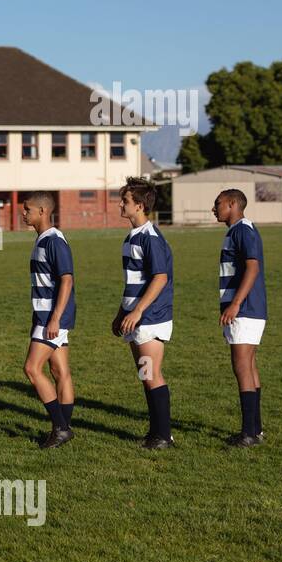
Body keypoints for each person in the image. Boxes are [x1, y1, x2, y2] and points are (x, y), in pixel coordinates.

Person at [112, 177, 175, 450]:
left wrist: (137, 311)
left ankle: (163, 436)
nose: (121, 204)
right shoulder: (132, 237)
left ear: (138, 205)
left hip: (151, 317)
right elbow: (133, 281)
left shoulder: (150, 237)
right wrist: (121, 313)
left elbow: (160, 277)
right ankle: (156, 433)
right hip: (136, 316)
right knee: (144, 375)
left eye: (125, 201)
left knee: (151, 374)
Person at [20, 192, 76, 449]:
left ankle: (61, 427)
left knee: (32, 369)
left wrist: (54, 318)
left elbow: (67, 279)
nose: (24, 213)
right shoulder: (42, 239)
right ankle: (64, 426)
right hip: (46, 314)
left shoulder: (54, 241)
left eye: (27, 209)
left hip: (50, 317)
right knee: (59, 371)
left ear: (43, 211)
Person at [212, 188, 267, 448]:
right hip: (251, 310)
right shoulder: (237, 230)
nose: (215, 208)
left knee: (242, 366)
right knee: (250, 366)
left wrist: (235, 304)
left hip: (245, 310)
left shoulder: (242, 230)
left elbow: (252, 267)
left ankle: (248, 433)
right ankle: (255, 429)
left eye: (218, 204)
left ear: (233, 204)